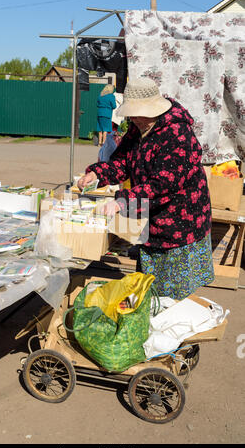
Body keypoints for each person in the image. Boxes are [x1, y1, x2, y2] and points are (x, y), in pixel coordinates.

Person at [78, 77, 214, 300]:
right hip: (152, 220)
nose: (133, 118)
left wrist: (122, 201)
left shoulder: (178, 134)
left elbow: (164, 184)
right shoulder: (138, 127)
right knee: (147, 290)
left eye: (138, 113)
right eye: (131, 114)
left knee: (171, 296)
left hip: (180, 222)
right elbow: (122, 161)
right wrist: (98, 174)